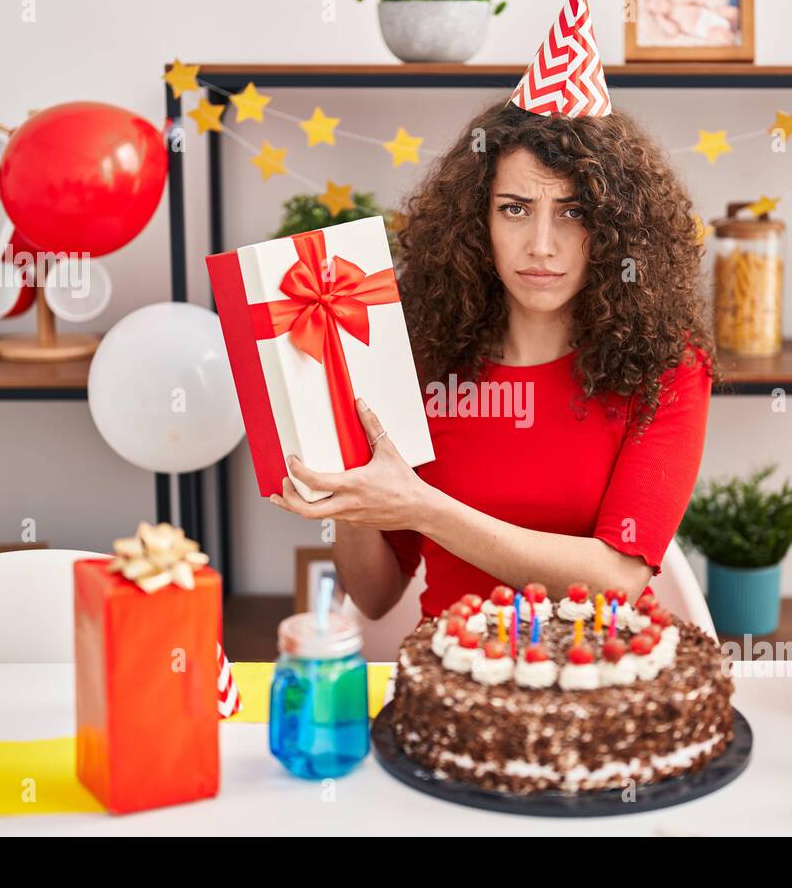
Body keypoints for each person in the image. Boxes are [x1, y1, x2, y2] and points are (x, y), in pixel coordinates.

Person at [268, 93, 715, 620]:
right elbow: (374, 595)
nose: (541, 245)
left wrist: (421, 507)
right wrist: (349, 491)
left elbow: (615, 580)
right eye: (515, 209)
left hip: (602, 672)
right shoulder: (422, 359)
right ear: (478, 223)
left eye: (573, 212)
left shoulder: (667, 365)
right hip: (447, 677)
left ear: (617, 229)